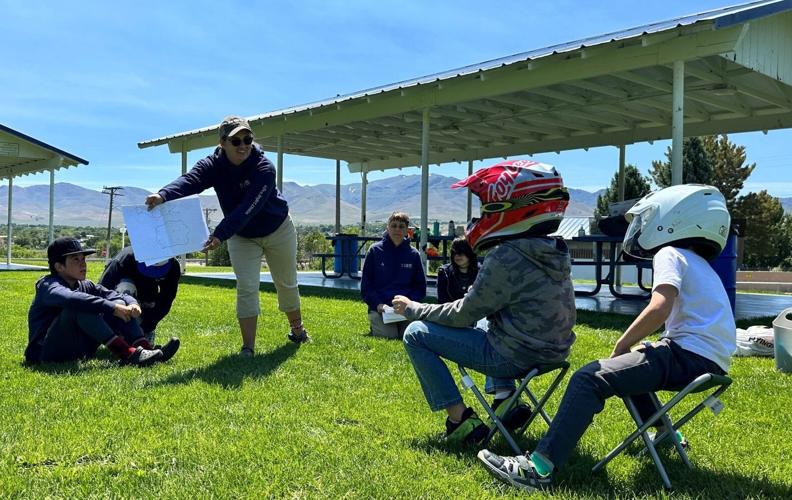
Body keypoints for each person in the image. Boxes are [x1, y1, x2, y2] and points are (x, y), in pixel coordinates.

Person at [478, 184, 736, 491]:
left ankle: (538, 469)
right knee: (634, 366)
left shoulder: (669, 253)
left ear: (672, 219)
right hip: (712, 364)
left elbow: (660, 307)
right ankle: (666, 435)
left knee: (589, 378)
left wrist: (622, 343)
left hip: (687, 357)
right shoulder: (703, 265)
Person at [392, 160, 576, 444]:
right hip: (553, 354)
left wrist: (414, 309)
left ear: (511, 206)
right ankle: (505, 402)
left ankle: (460, 420)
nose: (483, 215)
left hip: (516, 356)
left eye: (489, 207)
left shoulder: (507, 256)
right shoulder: (553, 249)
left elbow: (463, 314)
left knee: (415, 334)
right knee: (486, 320)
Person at [145, 116, 310, 356]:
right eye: (236, 141)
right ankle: (248, 348)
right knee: (247, 286)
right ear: (222, 143)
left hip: (278, 229)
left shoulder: (264, 168)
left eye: (248, 139)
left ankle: (298, 331)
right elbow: (191, 180)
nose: (243, 145)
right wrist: (163, 195)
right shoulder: (213, 165)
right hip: (242, 236)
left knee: (285, 283)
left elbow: (247, 209)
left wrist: (220, 234)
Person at [25, 237, 180, 366]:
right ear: (59, 266)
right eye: (75, 259)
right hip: (45, 352)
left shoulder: (85, 285)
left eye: (83, 259)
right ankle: (127, 354)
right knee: (82, 306)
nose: (83, 263)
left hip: (79, 351)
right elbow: (71, 298)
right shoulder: (48, 285)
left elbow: (111, 294)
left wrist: (131, 303)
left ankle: (146, 349)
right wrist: (112, 308)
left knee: (119, 300)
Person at [360, 212, 426, 339]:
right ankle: (375, 323)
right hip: (381, 308)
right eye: (394, 225)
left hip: (405, 309)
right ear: (387, 227)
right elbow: (366, 286)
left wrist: (409, 304)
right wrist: (378, 304)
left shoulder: (413, 254)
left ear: (407, 230)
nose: (397, 229)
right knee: (389, 336)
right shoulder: (375, 251)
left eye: (401, 226)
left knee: (407, 336)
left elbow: (420, 287)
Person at [99, 246, 181, 344]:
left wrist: (148, 325)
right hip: (121, 303)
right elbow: (102, 291)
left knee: (150, 315)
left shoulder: (173, 266)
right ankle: (122, 334)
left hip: (147, 301)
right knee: (125, 287)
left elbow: (166, 300)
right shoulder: (123, 259)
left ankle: (142, 336)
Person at [436, 237, 479, 304]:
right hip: (451, 312)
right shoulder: (444, 273)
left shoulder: (481, 272)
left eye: (461, 253)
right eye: (454, 253)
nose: (457, 256)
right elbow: (442, 302)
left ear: (470, 253)